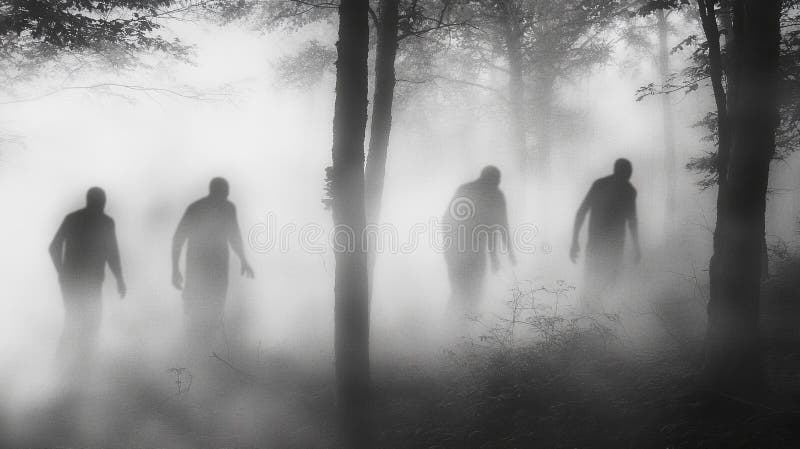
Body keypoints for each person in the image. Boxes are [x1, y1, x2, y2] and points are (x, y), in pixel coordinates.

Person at [172, 177, 254, 358]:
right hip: (198, 267)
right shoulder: (197, 208)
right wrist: (174, 269)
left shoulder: (227, 208)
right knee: (195, 305)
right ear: (215, 191)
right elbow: (179, 237)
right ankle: (192, 348)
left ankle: (209, 349)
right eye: (224, 192)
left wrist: (243, 259)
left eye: (227, 193)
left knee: (216, 305)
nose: (225, 196)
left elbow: (234, 235)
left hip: (218, 266)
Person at [49, 187, 126, 374]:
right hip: (88, 280)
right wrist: (119, 279)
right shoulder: (105, 222)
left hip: (76, 280)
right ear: (99, 202)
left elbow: (54, 247)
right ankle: (75, 367)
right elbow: (112, 252)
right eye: (102, 202)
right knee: (87, 320)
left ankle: (70, 366)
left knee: (78, 319)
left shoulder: (73, 219)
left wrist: (62, 272)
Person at [570, 158, 641, 313]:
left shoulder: (625, 190)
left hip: (611, 245)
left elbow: (632, 221)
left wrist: (636, 248)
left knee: (607, 278)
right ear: (619, 172)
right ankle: (588, 312)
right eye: (626, 173)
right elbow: (581, 212)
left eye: (628, 174)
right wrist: (574, 241)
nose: (627, 177)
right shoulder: (607, 187)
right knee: (594, 278)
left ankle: (595, 313)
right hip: (601, 243)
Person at [443, 166, 516, 314]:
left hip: (468, 251)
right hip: (460, 250)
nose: (497, 185)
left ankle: (462, 327)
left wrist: (503, 254)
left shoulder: (490, 194)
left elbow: (499, 225)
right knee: (462, 289)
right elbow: (500, 225)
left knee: (471, 289)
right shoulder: (488, 194)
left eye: (498, 182)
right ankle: (455, 327)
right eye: (495, 181)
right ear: (486, 179)